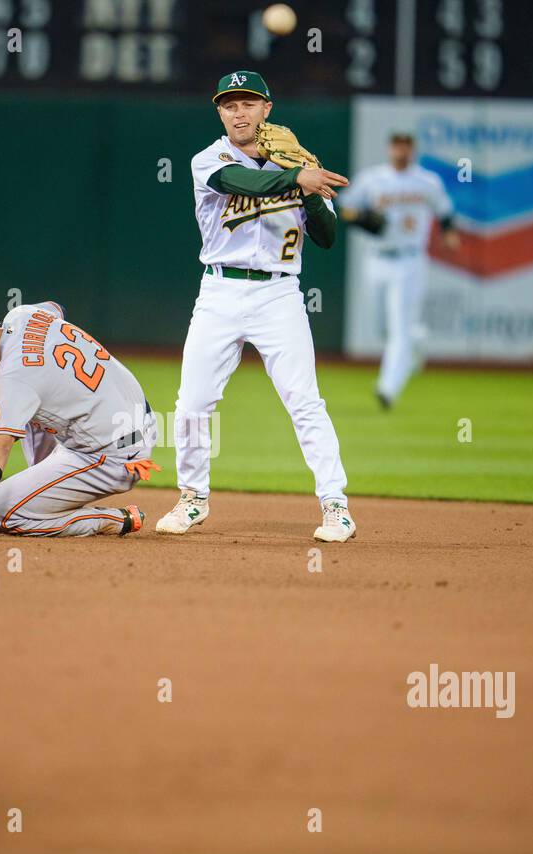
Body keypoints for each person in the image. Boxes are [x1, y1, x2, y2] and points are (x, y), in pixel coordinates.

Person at [156, 70, 357, 543]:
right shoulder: (209, 159)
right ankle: (192, 498)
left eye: (248, 103)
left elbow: (327, 238)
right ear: (220, 112)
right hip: (219, 291)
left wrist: (309, 192)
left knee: (305, 402)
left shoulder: (298, 163)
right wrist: (298, 178)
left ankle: (336, 507)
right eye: (229, 104)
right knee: (191, 404)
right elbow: (245, 183)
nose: (238, 111)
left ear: (267, 109)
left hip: (279, 294)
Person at [0, 300, 159, 537]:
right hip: (138, 420)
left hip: (114, 456)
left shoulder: (9, 382)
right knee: (34, 397)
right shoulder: (22, 314)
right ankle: (46, 498)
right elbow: (56, 307)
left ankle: (109, 519)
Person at [338, 129, 459, 409]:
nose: (400, 151)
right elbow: (343, 207)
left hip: (410, 259)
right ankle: (418, 341)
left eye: (406, 147)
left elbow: (445, 211)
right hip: (377, 258)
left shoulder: (426, 181)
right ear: (390, 149)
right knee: (382, 327)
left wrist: (450, 233)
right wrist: (364, 218)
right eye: (397, 146)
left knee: (399, 328)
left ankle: (387, 389)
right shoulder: (372, 179)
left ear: (412, 150)